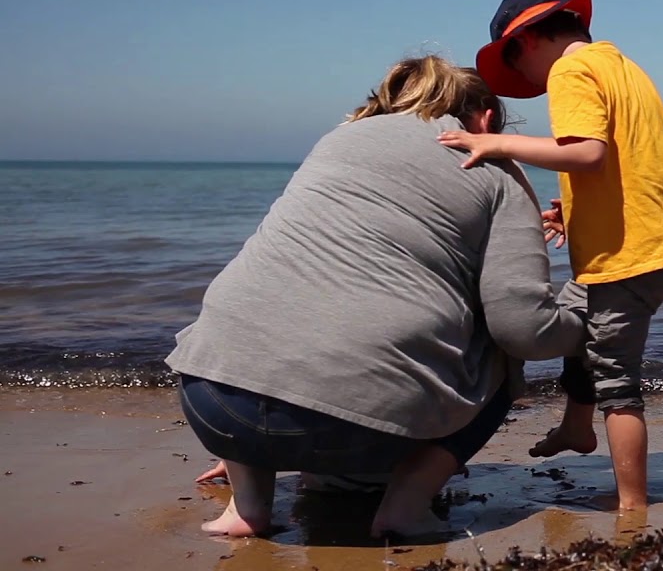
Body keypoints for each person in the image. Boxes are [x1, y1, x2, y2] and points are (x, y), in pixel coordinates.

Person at [165, 55, 586, 537]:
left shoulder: (337, 141)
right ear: (487, 119)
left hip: (212, 407)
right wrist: (581, 306)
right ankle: (405, 506)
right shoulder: (495, 170)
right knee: (497, 344)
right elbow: (525, 330)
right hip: (351, 431)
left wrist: (245, 438)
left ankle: (248, 505)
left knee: (271, 304)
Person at [437, 0, 663, 510]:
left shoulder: (569, 71)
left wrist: (497, 143)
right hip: (651, 235)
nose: (527, 81)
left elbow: (586, 152)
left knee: (616, 379)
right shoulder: (621, 65)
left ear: (527, 41)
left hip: (632, 252)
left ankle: (632, 503)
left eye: (515, 64)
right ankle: (577, 428)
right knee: (580, 321)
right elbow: (628, 158)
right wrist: (576, 210)